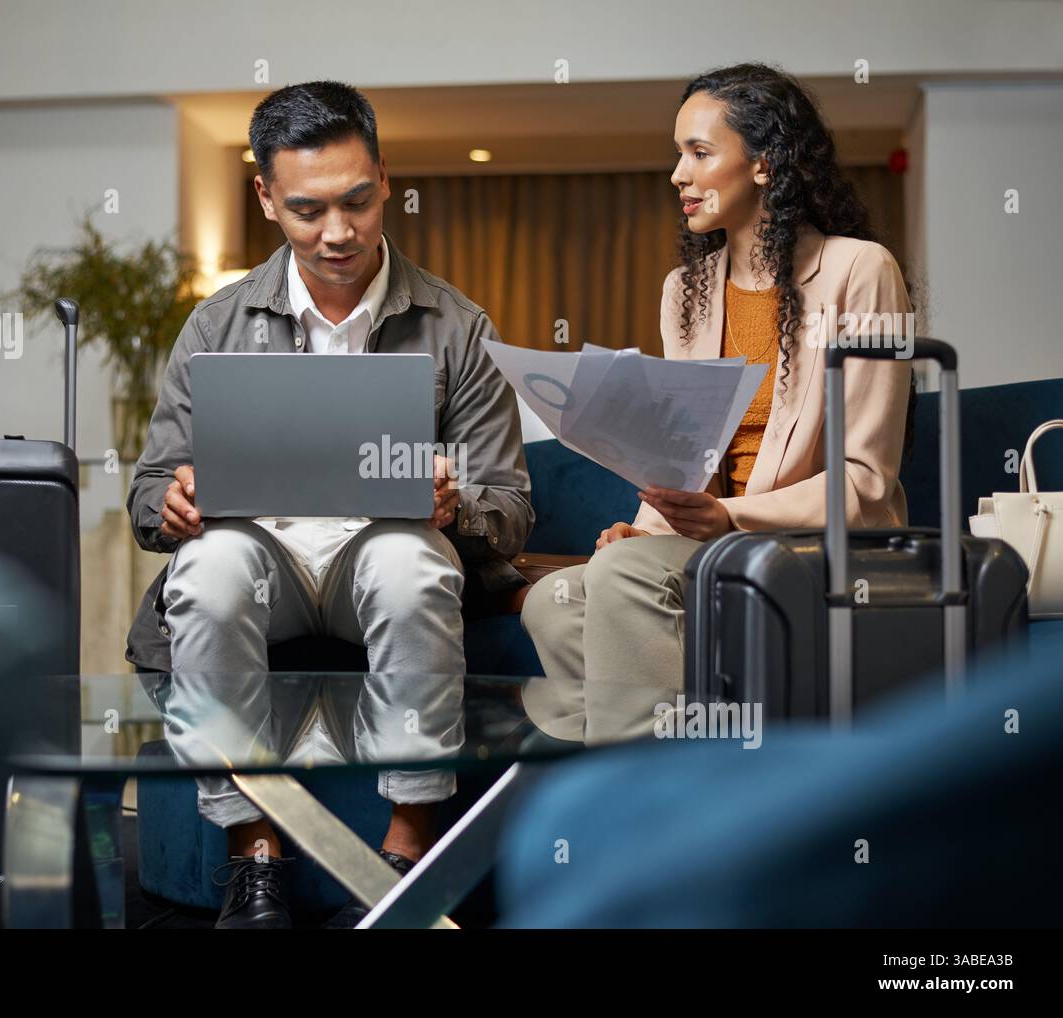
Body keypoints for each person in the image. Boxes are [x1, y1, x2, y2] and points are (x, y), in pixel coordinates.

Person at [125, 81, 533, 928]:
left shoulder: (455, 326)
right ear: (266, 197)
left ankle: (408, 851)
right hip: (259, 561)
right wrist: (171, 502)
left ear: (385, 179)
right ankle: (254, 856)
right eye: (308, 210)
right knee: (210, 568)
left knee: (411, 560)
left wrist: (453, 504)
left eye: (356, 201)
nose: (338, 232)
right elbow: (146, 490)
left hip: (378, 560)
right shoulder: (217, 323)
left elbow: (512, 506)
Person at [521, 63, 915, 746]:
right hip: (712, 541)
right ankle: (674, 764)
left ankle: (650, 804)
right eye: (679, 153)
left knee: (618, 579)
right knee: (553, 605)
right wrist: (648, 527)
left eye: (699, 153)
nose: (678, 173)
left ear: (764, 164)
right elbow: (683, 453)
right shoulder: (688, 289)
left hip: (815, 549)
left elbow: (866, 482)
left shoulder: (861, 269)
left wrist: (727, 514)